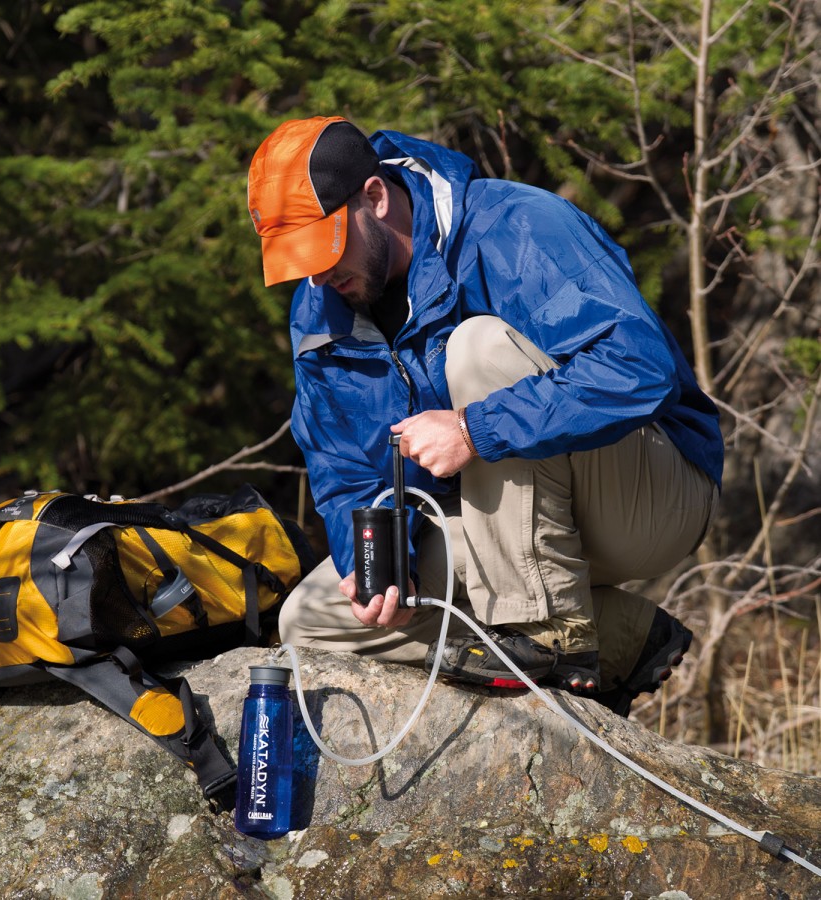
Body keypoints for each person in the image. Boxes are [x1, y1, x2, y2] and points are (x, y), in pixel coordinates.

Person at [247, 116, 722, 715]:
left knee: (478, 351)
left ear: (375, 197)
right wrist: (372, 563)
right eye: (300, 259)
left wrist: (475, 431)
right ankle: (621, 635)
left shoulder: (516, 226)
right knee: (310, 621)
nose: (318, 273)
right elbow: (344, 470)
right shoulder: (320, 309)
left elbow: (638, 367)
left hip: (647, 500)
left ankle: (553, 638)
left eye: (326, 247)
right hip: (503, 526)